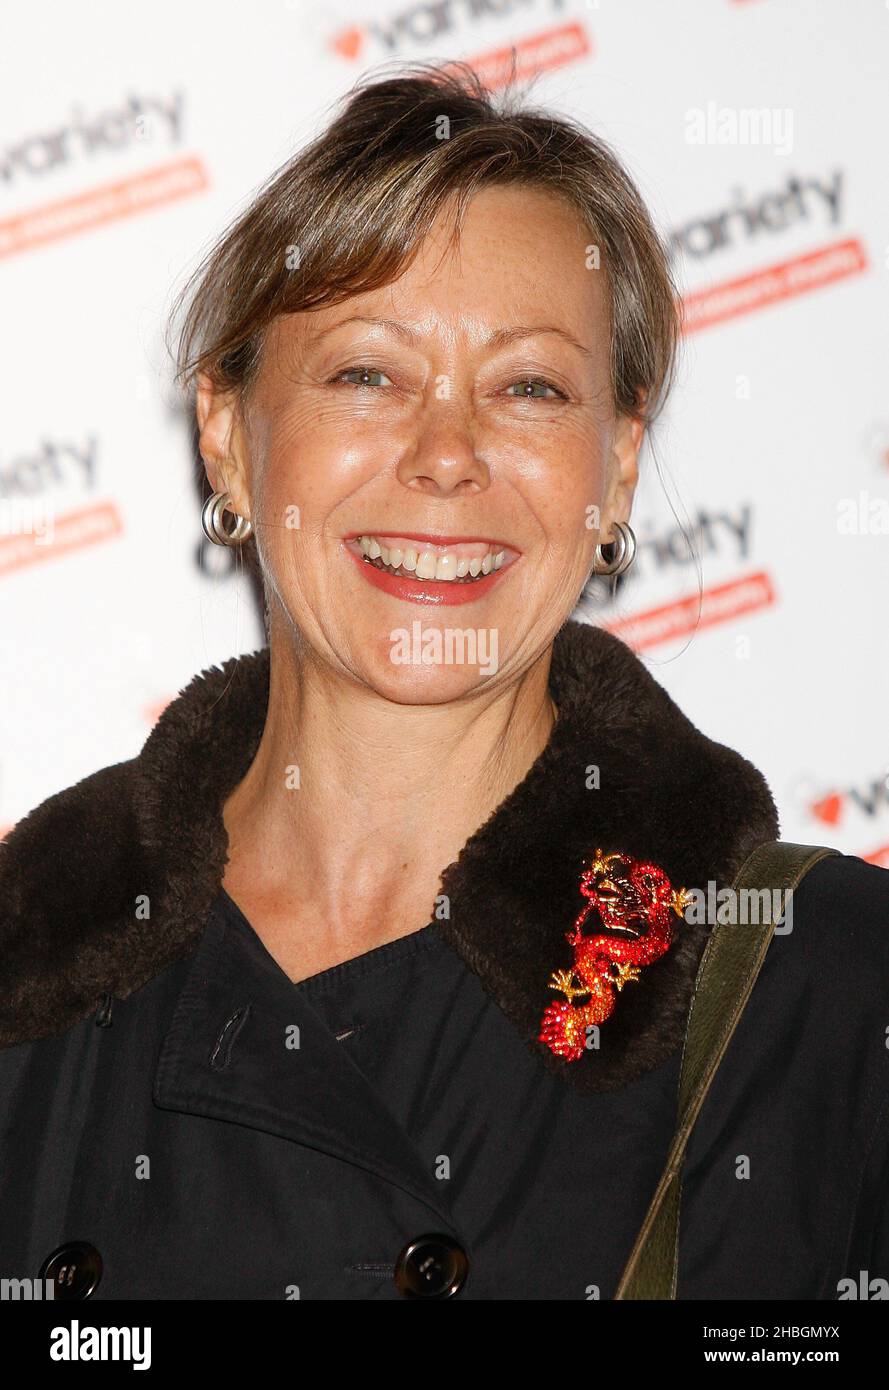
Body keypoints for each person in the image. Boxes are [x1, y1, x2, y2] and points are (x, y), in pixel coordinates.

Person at [1, 63, 887, 1302]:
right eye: (367, 371)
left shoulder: (824, 987)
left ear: (616, 468)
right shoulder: (25, 973)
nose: (447, 456)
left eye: (528, 387)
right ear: (226, 434)